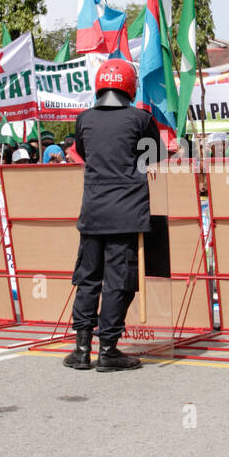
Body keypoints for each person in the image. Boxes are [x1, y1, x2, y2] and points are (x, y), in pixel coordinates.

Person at [63, 59, 159, 373]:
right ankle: (108, 349)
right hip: (127, 213)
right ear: (130, 85)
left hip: (92, 211)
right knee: (118, 281)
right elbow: (151, 158)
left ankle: (81, 349)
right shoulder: (141, 119)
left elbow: (86, 153)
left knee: (88, 278)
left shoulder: (84, 119)